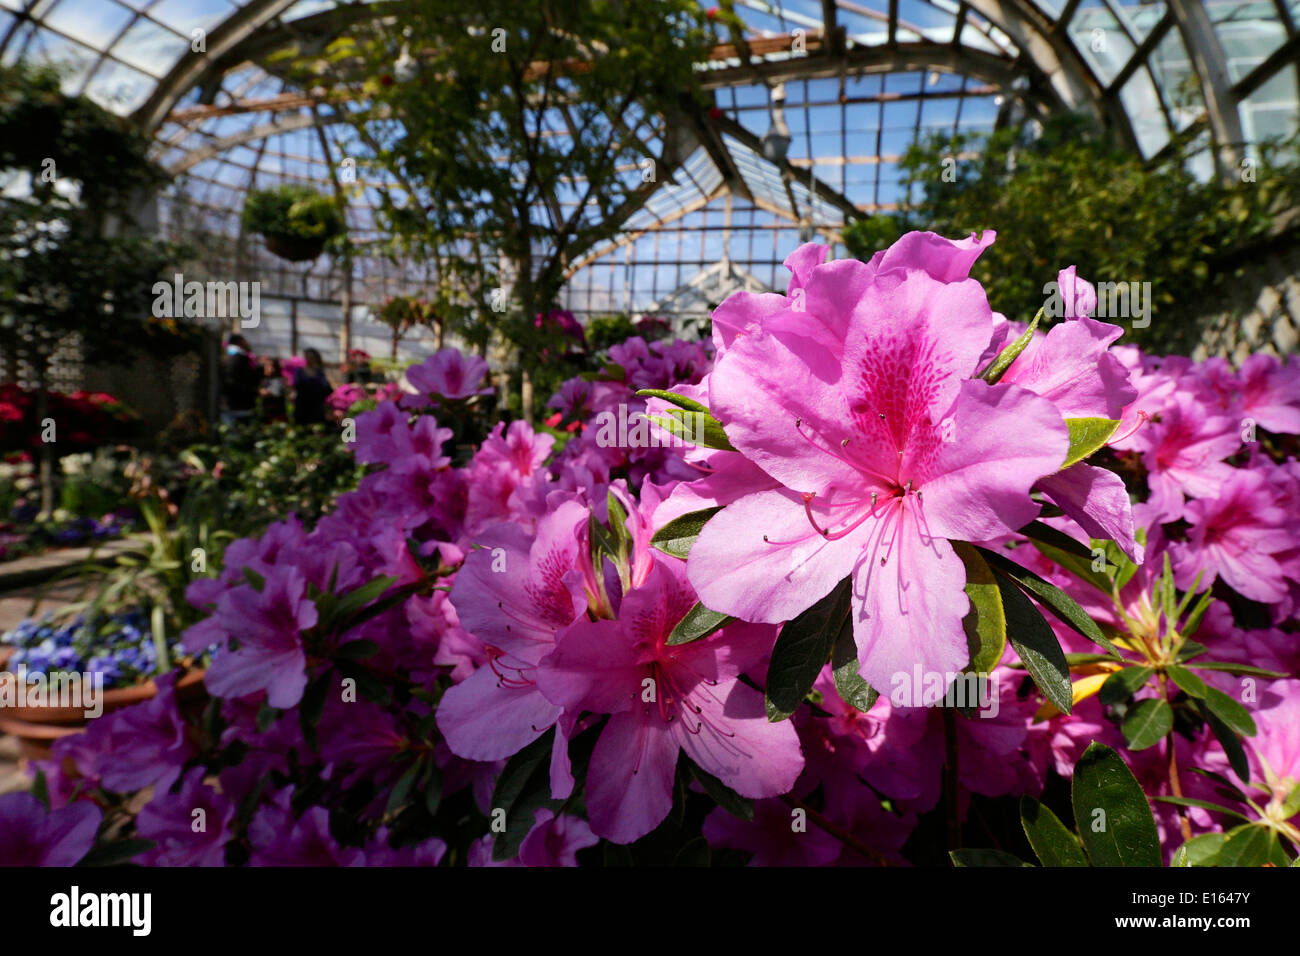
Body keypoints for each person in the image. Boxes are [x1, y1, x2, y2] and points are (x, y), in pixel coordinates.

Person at [220, 335, 262, 427]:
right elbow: (235, 381)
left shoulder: (227, 356)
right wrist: (253, 391)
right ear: (240, 342)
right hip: (239, 405)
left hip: (229, 404)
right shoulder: (239, 358)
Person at [292, 348, 331, 426]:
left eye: (311, 357)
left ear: (316, 358)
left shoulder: (320, 372)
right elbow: (296, 384)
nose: (309, 359)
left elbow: (325, 387)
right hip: (302, 403)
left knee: (316, 425)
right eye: (307, 357)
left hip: (316, 404)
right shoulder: (300, 371)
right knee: (301, 425)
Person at [259, 356, 287, 421]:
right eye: (265, 365)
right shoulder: (265, 380)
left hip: (277, 416)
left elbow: (267, 393)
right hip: (266, 414)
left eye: (269, 366)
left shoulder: (278, 380)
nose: (265, 367)